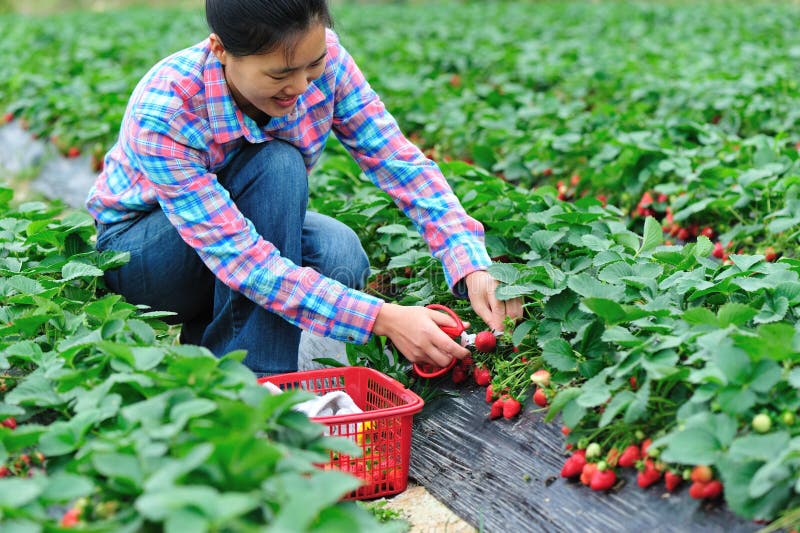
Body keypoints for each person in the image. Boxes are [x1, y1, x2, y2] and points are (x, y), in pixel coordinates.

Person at [86, 0, 523, 376]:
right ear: (220, 49)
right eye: (280, 73)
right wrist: (382, 318)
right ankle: (255, 385)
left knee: (340, 256)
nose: (300, 87)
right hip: (146, 257)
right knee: (277, 162)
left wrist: (470, 263)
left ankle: (214, 351)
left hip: (226, 237)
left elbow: (398, 161)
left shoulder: (328, 61)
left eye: (313, 65)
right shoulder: (167, 108)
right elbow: (243, 261)